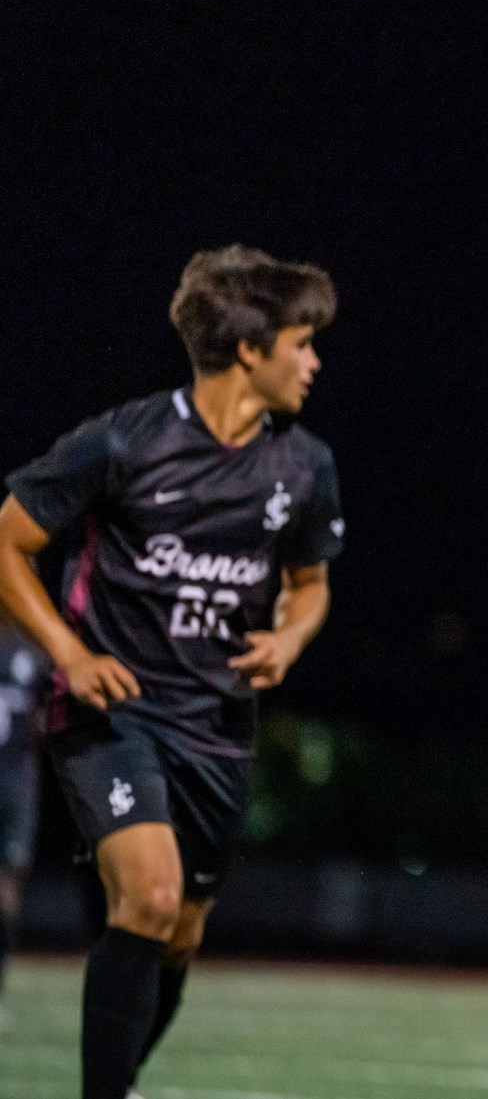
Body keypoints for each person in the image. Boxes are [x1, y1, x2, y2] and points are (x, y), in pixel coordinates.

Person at [0, 246, 345, 1099]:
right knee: (150, 898)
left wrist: (289, 640)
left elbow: (310, 586)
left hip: (218, 728)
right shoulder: (124, 440)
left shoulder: (304, 465)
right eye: (302, 343)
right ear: (249, 349)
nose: (314, 362)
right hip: (112, 713)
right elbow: (7, 541)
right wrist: (70, 653)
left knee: (181, 932)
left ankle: (119, 1078)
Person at [0, 618, 51, 1021]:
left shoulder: (31, 653)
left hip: (17, 783)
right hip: (17, 781)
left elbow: (44, 721)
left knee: (7, 893)